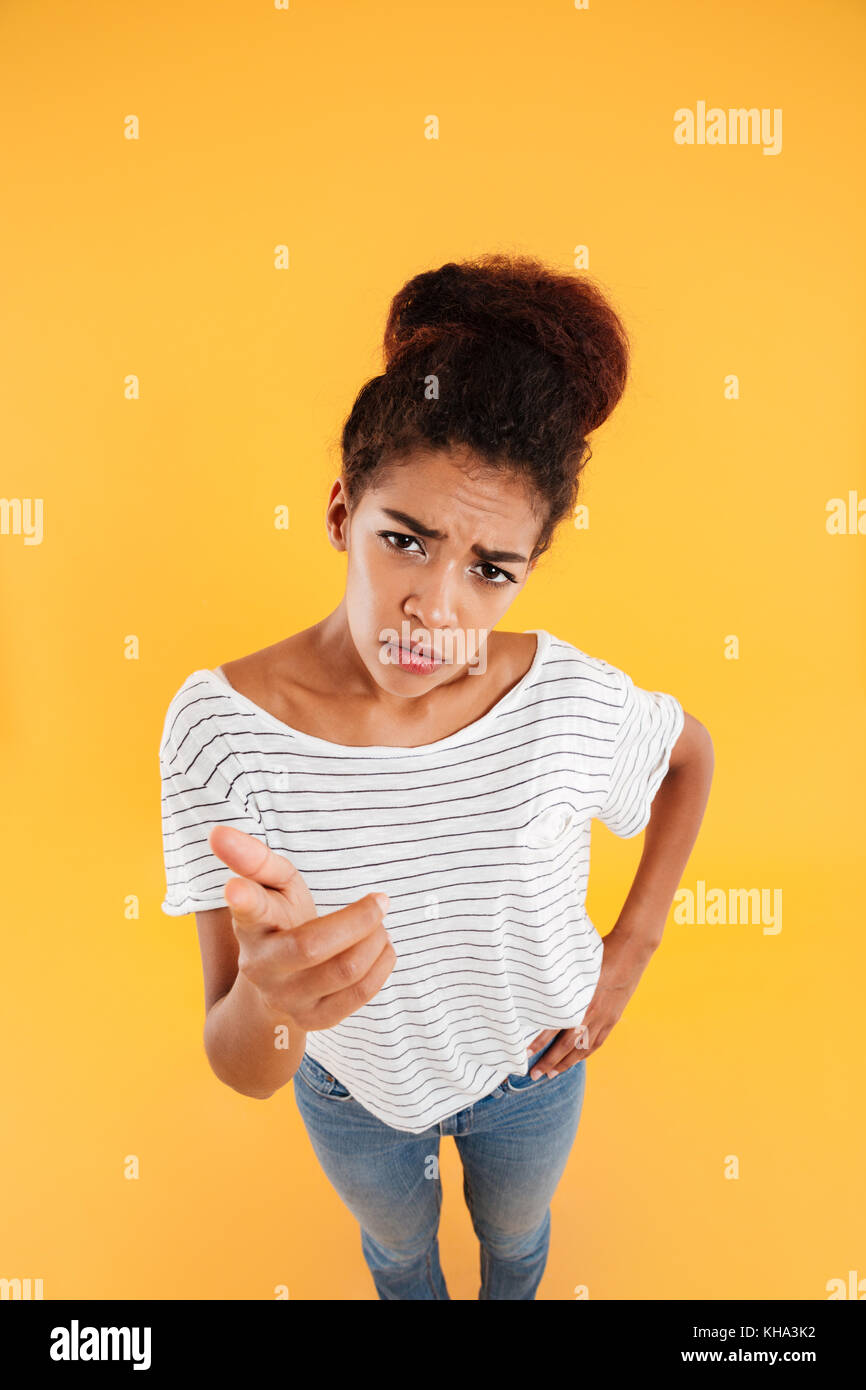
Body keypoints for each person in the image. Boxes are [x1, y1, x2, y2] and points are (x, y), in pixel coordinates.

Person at [158, 253, 714, 1300]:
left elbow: (688, 754)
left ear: (527, 569)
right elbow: (241, 1061)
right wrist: (276, 1000)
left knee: (515, 1239)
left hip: (534, 1074)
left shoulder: (564, 699)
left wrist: (627, 950)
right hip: (354, 1092)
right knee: (400, 1253)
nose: (435, 610)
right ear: (339, 514)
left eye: (489, 570)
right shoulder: (217, 730)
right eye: (404, 541)